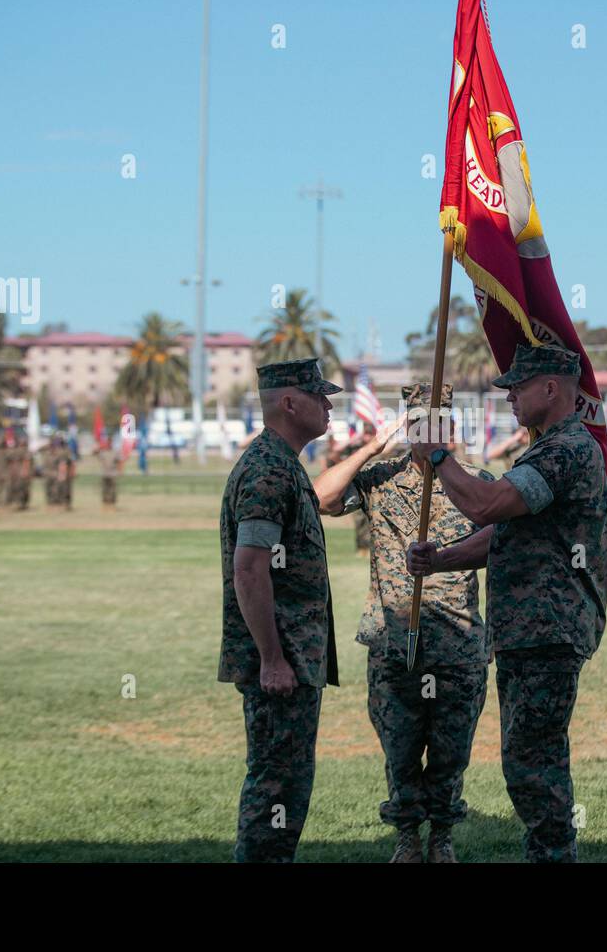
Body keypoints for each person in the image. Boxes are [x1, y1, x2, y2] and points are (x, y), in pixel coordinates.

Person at [407, 344, 607, 863]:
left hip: (547, 630)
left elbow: (486, 503)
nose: (510, 396)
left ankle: (552, 856)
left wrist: (436, 457)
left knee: (533, 764)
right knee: (531, 759)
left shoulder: (566, 450)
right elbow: (504, 529)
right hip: (531, 632)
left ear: (551, 388)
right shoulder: (550, 448)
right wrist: (444, 560)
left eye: (519, 386)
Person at [314, 383, 490, 864]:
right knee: (400, 748)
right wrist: (372, 446)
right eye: (419, 425)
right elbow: (321, 496)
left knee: (453, 751)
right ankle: (408, 838)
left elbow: (502, 537)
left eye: (438, 425)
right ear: (408, 429)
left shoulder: (476, 482)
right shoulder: (379, 480)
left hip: (457, 641)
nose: (430, 435)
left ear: (452, 429)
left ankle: (442, 837)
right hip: (395, 642)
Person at [218, 358, 343, 863]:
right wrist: (272, 658)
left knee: (286, 785)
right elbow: (249, 569)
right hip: (281, 663)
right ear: (290, 403)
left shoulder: (282, 464)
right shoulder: (268, 470)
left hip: (292, 659)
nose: (329, 404)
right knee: (275, 785)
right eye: (319, 395)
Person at [325, 424, 375, 554]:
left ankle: (370, 548)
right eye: (366, 434)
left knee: (374, 520)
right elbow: (335, 451)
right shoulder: (355, 447)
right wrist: (354, 438)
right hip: (357, 488)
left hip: (374, 488)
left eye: (370, 434)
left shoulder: (377, 448)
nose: (367, 437)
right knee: (359, 520)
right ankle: (361, 547)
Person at [98, 441, 120, 507]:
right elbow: (94, 453)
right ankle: (105, 504)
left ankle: (112, 504)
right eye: (107, 443)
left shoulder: (115, 452)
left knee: (112, 490)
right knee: (105, 490)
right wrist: (99, 447)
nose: (108, 445)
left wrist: (119, 471)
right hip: (105, 473)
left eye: (109, 444)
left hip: (113, 474)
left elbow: (119, 461)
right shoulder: (103, 452)